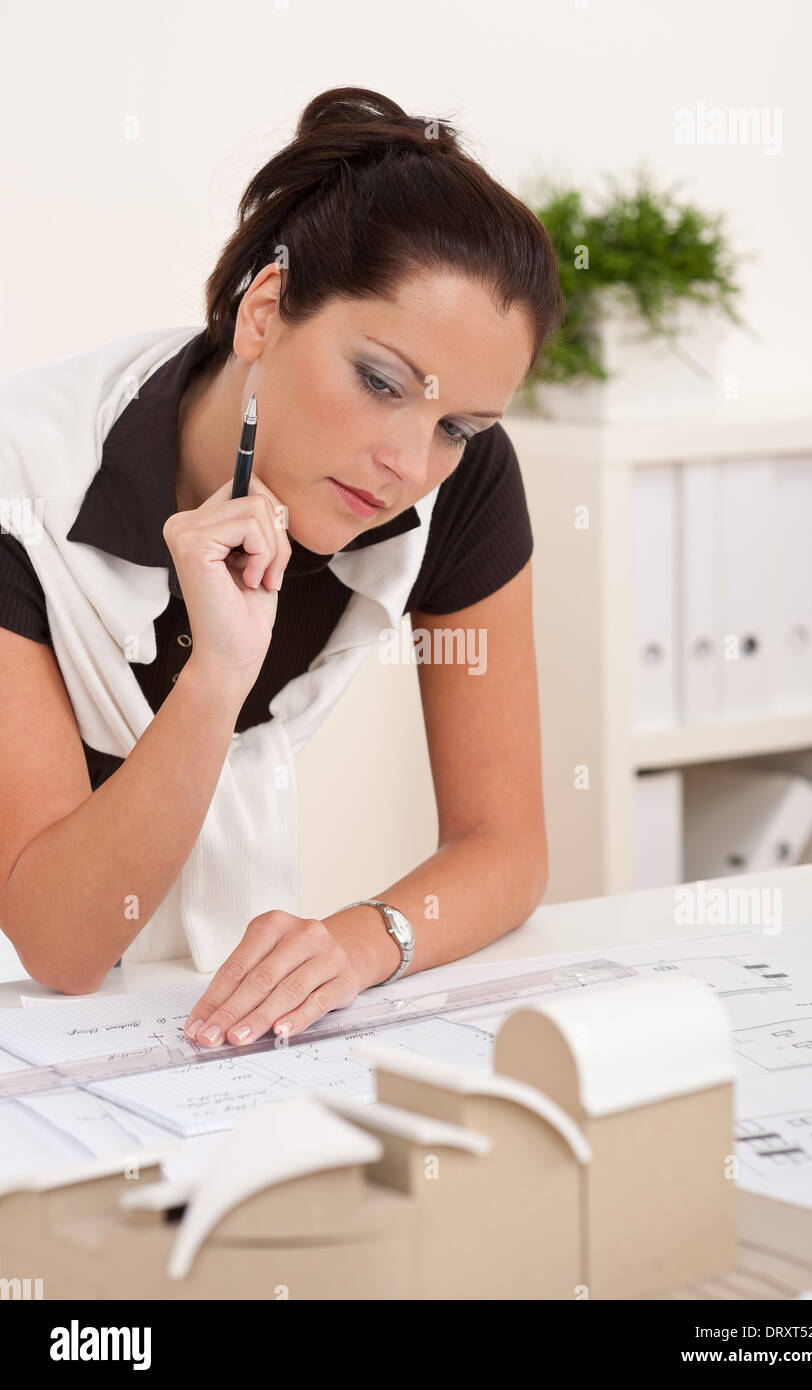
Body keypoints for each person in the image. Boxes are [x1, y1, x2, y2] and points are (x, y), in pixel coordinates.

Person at [0, 86, 564, 1047]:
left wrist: (361, 942)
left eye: (457, 427)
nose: (407, 467)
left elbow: (506, 847)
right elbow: (62, 945)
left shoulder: (452, 484)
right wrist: (217, 677)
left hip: (188, 1031)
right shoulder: (24, 483)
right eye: (380, 382)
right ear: (265, 310)